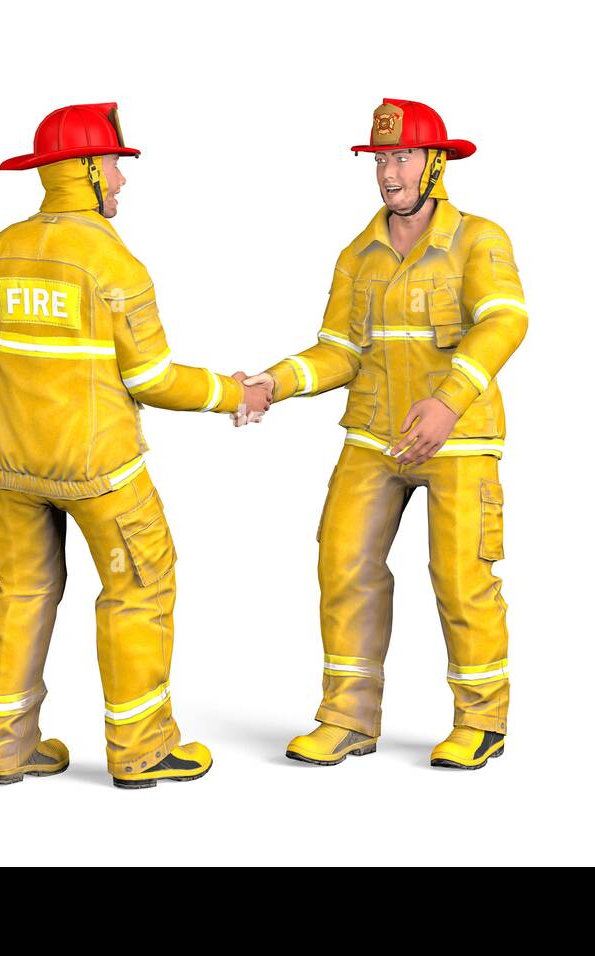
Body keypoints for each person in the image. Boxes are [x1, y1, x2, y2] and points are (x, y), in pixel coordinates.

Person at [0, 102, 270, 788]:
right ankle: (142, 749)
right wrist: (234, 394)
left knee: (20, 595)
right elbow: (153, 378)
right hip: (100, 469)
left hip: (9, 466)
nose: (123, 181)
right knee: (141, 586)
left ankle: (4, 749)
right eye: (117, 166)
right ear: (89, 169)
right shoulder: (112, 262)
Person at [239, 98, 527, 770]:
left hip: (459, 438)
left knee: (461, 576)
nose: (387, 172)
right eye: (379, 159)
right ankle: (347, 717)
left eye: (399, 157)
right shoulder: (358, 255)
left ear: (435, 163)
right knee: (343, 562)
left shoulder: (479, 240)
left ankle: (482, 720)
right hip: (374, 435)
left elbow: (505, 322)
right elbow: (338, 349)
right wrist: (272, 384)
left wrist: (449, 401)